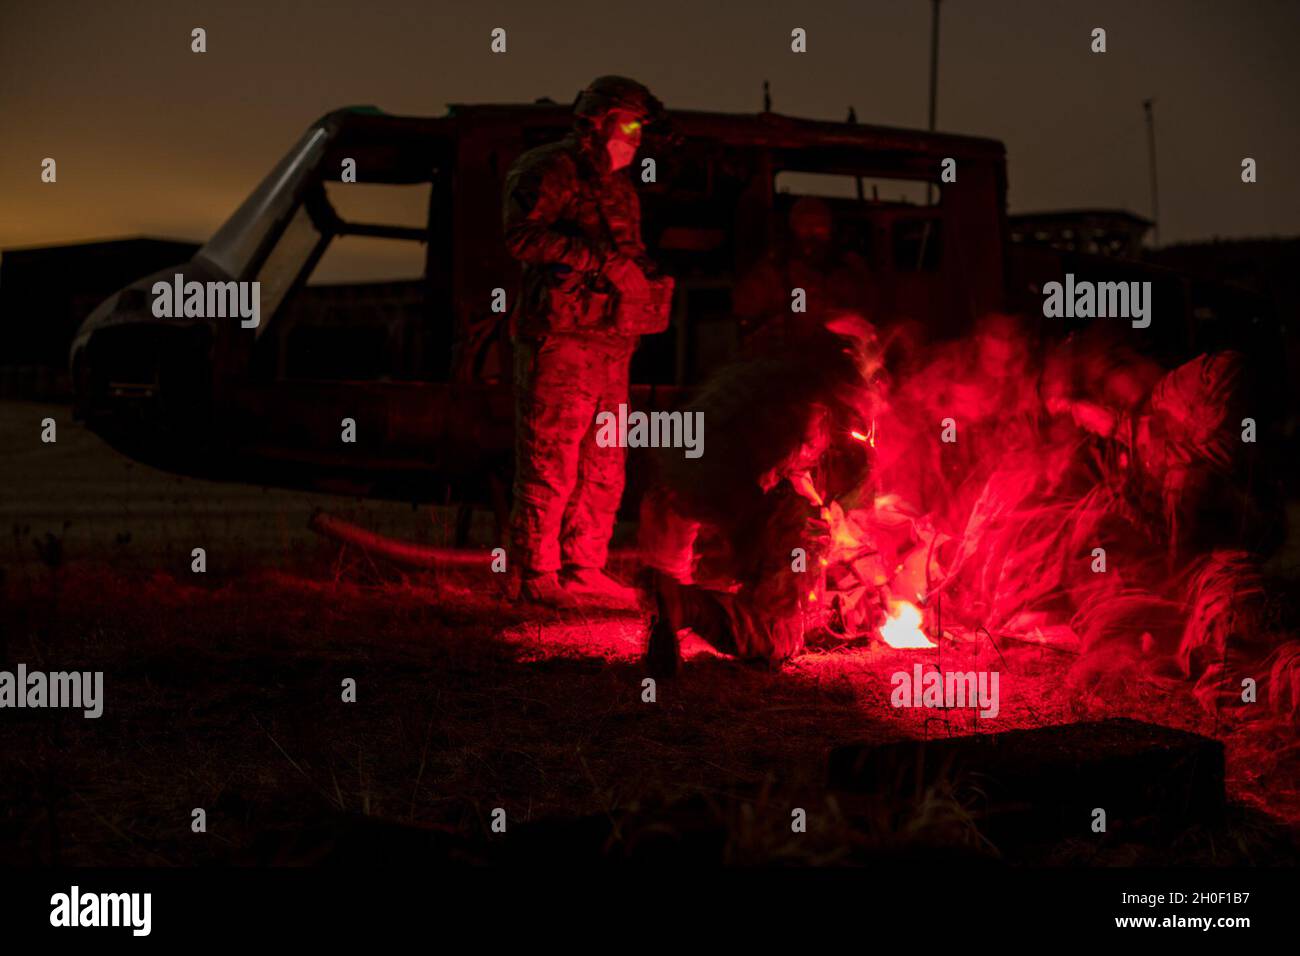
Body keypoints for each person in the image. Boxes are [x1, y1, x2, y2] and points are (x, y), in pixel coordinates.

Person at [502, 76, 673, 606]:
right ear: (594, 122)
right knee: (552, 460)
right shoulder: (549, 168)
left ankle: (583, 568)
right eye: (627, 124)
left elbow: (627, 251)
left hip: (610, 342)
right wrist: (602, 262)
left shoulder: (621, 188)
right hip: (562, 340)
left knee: (604, 462)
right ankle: (535, 575)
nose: (635, 136)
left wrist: (645, 281)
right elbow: (522, 236)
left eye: (640, 127)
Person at [733, 196, 875, 352]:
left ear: (830, 228)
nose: (812, 231)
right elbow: (747, 306)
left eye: (820, 225)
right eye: (805, 225)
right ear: (794, 228)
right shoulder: (781, 268)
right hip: (792, 355)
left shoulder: (848, 267)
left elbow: (868, 306)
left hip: (842, 352)